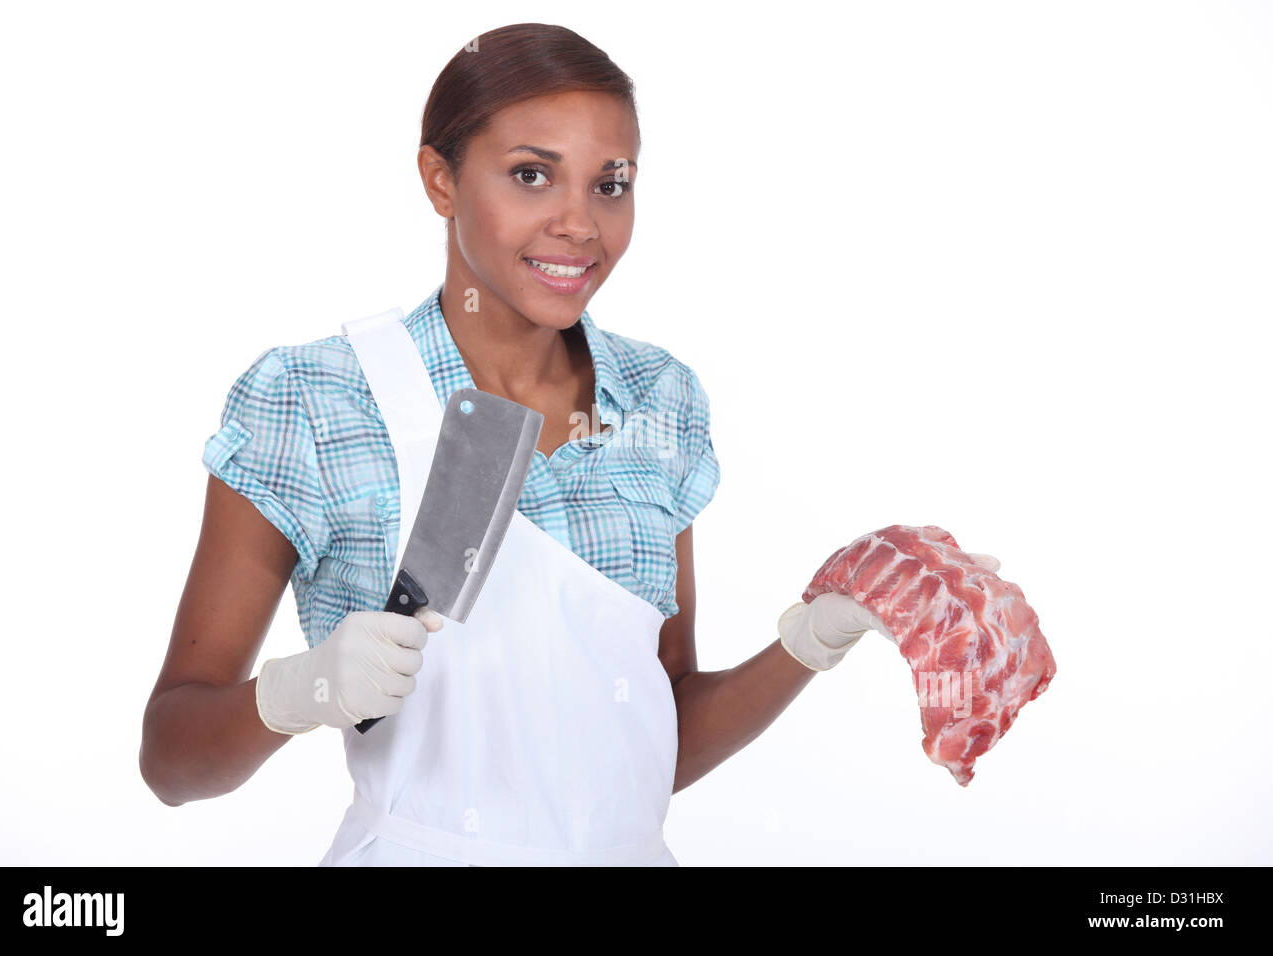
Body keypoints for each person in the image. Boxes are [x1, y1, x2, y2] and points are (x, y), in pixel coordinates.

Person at [138, 22, 894, 866]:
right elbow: (172, 761)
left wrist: (805, 645)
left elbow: (653, 738)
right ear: (440, 181)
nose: (580, 223)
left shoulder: (657, 399)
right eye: (531, 175)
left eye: (612, 184)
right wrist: (297, 691)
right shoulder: (316, 400)